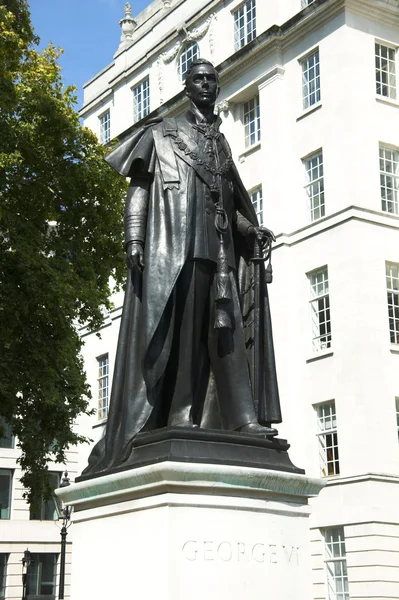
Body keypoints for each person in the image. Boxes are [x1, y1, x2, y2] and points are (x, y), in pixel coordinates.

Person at [83, 59, 282, 476]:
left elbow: (230, 199)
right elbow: (138, 190)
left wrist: (251, 230)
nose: (207, 85)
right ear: (187, 88)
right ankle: (181, 416)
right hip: (179, 249)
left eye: (212, 79)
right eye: (199, 80)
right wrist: (134, 238)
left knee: (226, 334)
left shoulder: (222, 145)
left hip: (222, 252)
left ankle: (242, 417)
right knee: (187, 334)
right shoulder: (163, 134)